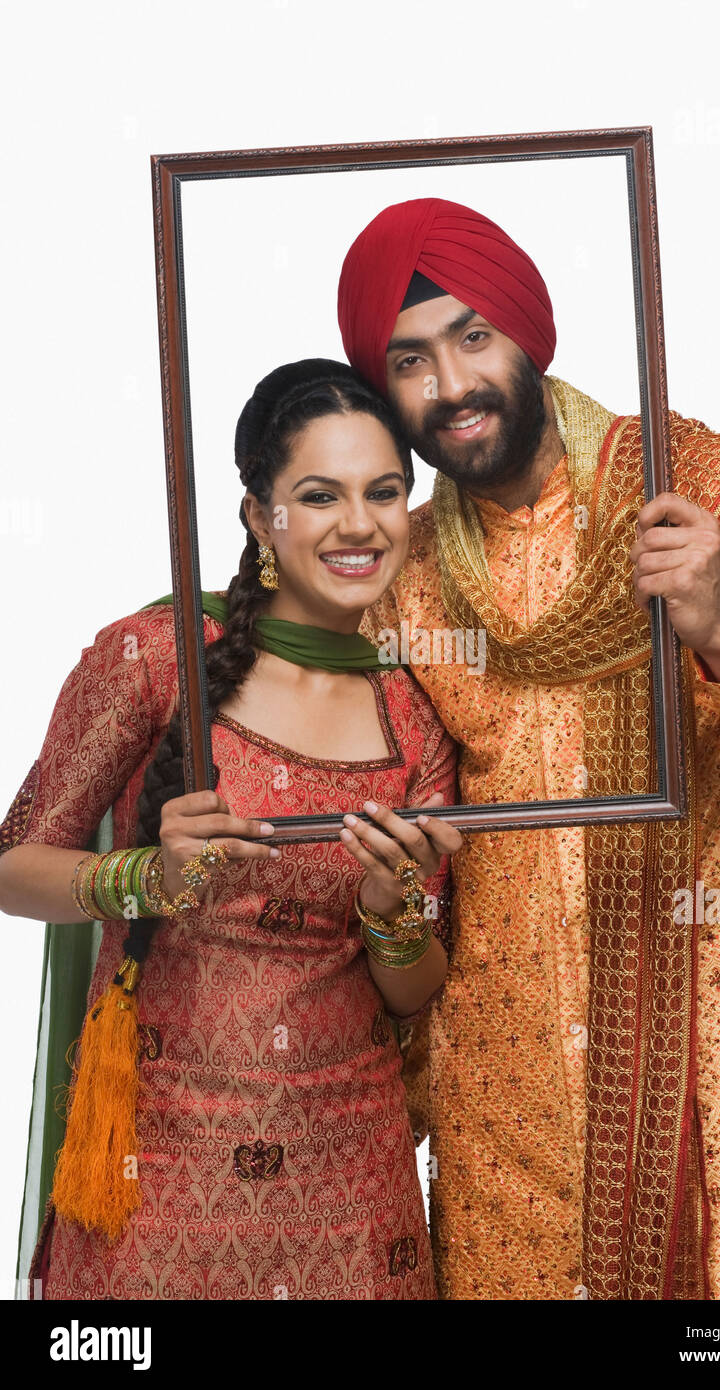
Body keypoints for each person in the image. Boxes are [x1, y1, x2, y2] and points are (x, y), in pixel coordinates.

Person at [338, 198, 720, 1300]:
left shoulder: (711, 501)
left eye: (472, 336)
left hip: (713, 1084)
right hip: (504, 1110)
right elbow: (391, 832)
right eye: (410, 360)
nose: (452, 385)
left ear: (530, 333)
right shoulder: (407, 574)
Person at [0, 358, 463, 1301]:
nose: (358, 523)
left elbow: (414, 992)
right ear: (262, 517)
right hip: (157, 1165)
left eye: (384, 492)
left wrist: (390, 906)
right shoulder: (154, 654)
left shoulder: (416, 712)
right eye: (319, 495)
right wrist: (142, 877)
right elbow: (14, 866)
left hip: (351, 1178)